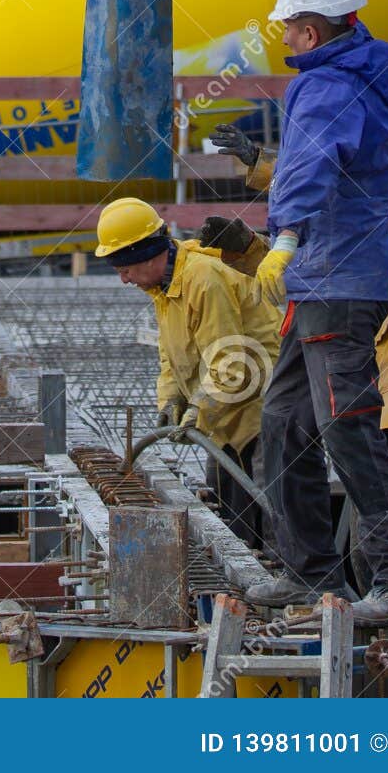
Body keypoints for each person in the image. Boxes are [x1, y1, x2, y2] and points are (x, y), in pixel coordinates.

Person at [215, 0, 388, 624]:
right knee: (285, 425)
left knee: (345, 426)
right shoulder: (353, 48)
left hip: (336, 278)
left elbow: (307, 163)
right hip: (321, 283)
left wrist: (284, 239)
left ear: (309, 31)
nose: (284, 36)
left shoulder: (329, 87)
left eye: (289, 26)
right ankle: (313, 574)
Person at [206, 109, 388, 582]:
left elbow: (346, 206)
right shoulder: (383, 218)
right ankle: (372, 618)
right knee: (376, 534)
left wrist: (271, 165)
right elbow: (315, 264)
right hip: (374, 390)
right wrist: (248, 249)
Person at [94, 196, 281, 548]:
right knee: (231, 516)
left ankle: (292, 586)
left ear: (147, 255)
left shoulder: (203, 279)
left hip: (261, 409)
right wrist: (172, 400)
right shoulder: (164, 287)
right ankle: (247, 588)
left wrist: (198, 409)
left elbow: (232, 365)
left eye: (126, 269)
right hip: (225, 410)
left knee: (273, 507)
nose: (124, 279)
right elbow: (172, 355)